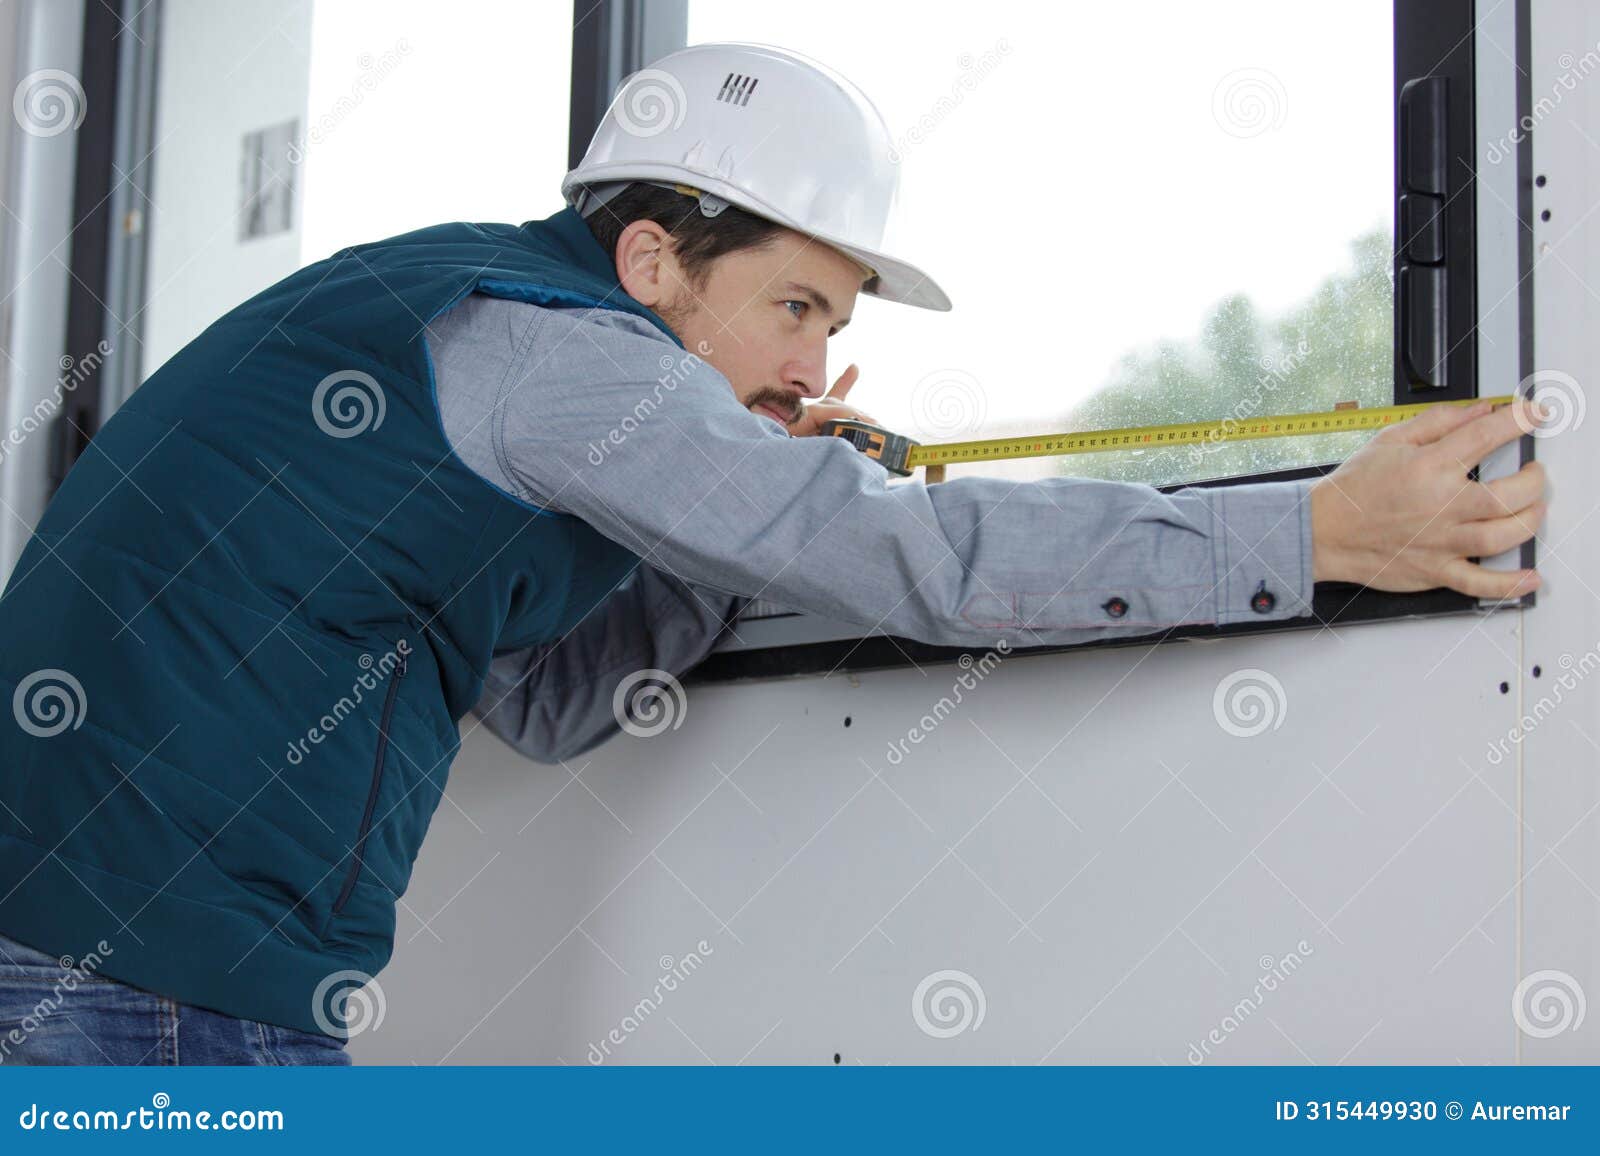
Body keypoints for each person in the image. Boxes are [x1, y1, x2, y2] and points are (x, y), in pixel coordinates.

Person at [0, 42, 1546, 1065]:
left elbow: (542, 706)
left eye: (834, 329)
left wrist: (722, 529)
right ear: (652, 261)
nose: (814, 369)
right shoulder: (565, 357)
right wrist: (1306, 529)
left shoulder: (454, 337)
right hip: (143, 988)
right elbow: (903, 554)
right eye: (796, 309)